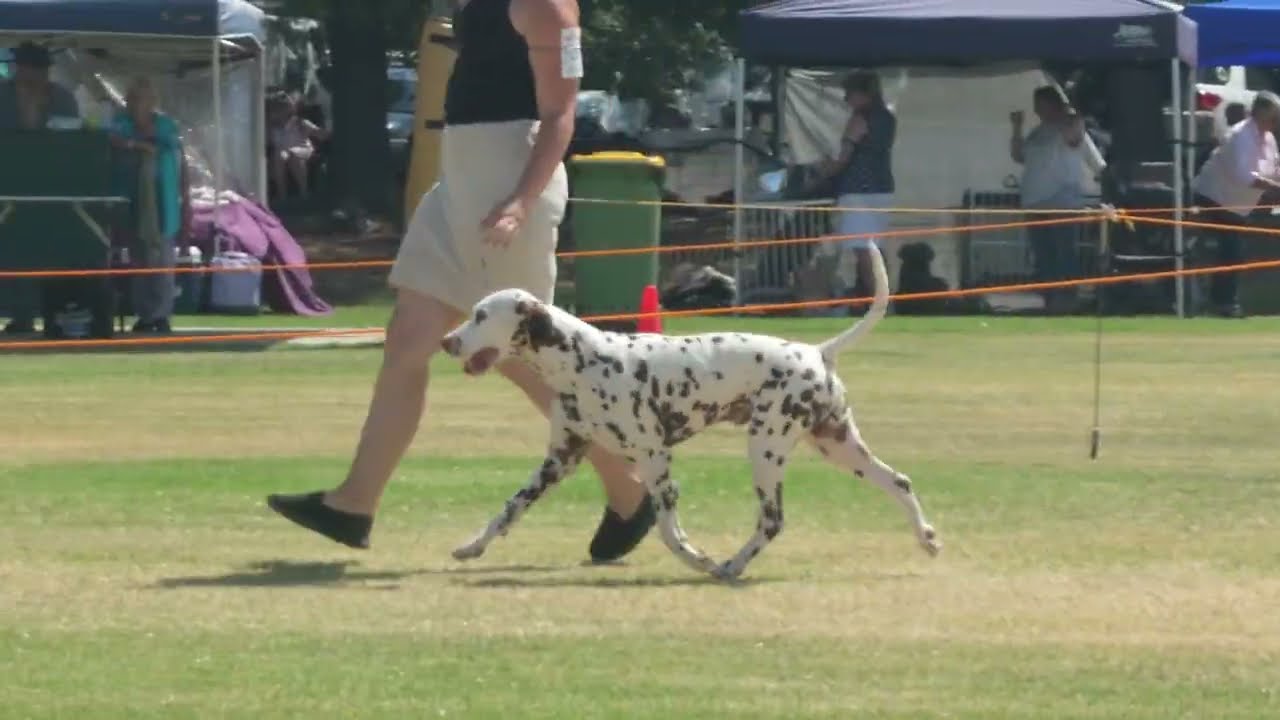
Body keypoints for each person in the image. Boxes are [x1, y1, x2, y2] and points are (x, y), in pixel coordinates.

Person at [265, 0, 654, 560]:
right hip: (461, 181)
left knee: (530, 363)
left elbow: (560, 114)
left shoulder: (545, 8)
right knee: (408, 340)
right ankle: (353, 505)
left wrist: (519, 203)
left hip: (508, 180)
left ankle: (630, 488)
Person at [0, 42, 80, 335]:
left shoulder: (62, 98)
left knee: (49, 255)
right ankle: (19, 314)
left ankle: (54, 315)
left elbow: (73, 138)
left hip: (53, 189)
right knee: (12, 253)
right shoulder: (2, 95)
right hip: (8, 185)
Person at [1009, 85, 1104, 314]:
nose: (1039, 109)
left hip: (1061, 200)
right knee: (1044, 254)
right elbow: (1019, 156)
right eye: (1037, 104)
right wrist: (1016, 128)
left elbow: (1077, 141)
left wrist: (1073, 111)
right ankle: (1049, 298)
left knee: (1064, 252)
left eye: (1043, 103)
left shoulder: (1071, 127)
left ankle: (1067, 298)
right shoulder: (1037, 132)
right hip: (1034, 201)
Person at [1191, 91, 1280, 319]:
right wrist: (1275, 189)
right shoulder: (1239, 135)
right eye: (1273, 116)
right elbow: (1243, 175)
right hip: (1214, 198)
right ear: (1259, 112)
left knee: (1233, 251)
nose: (1275, 122)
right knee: (1231, 250)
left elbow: (1273, 170)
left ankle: (1223, 301)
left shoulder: (1268, 139)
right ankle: (1223, 304)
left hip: (1237, 205)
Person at [108, 77, 184, 334]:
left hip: (162, 203)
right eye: (131, 99)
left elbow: (167, 143)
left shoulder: (165, 125)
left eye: (140, 98)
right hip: (133, 202)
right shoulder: (122, 122)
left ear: (152, 101)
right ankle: (144, 315)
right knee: (139, 261)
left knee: (161, 259)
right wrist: (137, 144)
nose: (134, 103)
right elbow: (113, 138)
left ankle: (161, 314)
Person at [816, 71, 897, 315]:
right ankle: (886, 300)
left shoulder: (860, 118)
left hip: (858, 190)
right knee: (877, 249)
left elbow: (843, 158)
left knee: (864, 251)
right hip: (882, 188)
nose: (846, 99)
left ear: (863, 94)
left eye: (849, 93)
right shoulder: (888, 118)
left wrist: (822, 170)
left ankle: (878, 306)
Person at [268, 91, 327, 201]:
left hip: (303, 149)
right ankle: (282, 195)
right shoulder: (271, 127)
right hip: (283, 152)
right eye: (277, 109)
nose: (279, 112)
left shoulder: (300, 123)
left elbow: (320, 134)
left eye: (283, 108)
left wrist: (320, 131)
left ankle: (303, 193)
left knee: (294, 155)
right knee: (278, 155)